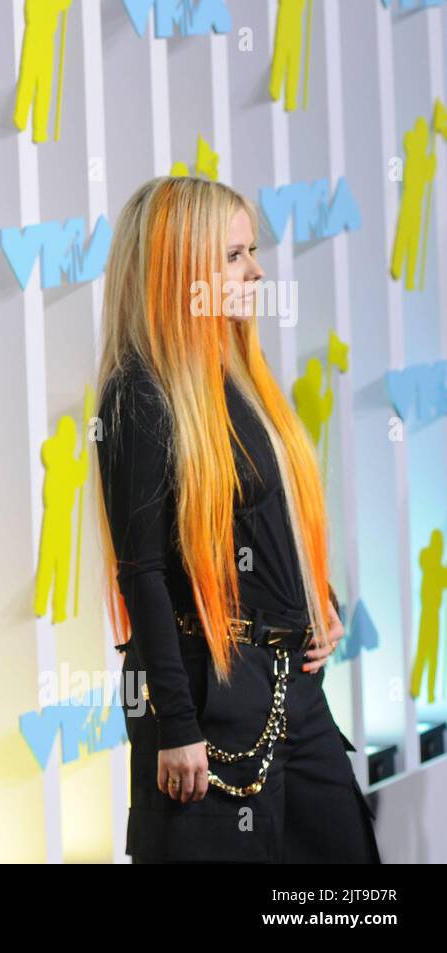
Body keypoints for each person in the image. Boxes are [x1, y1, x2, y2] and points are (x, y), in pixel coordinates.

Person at [93, 175, 380, 863]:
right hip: (209, 692)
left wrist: (319, 600)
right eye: (234, 255)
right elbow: (145, 574)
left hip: (291, 683)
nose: (256, 270)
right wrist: (177, 725)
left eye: (252, 251)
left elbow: (265, 527)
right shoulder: (138, 394)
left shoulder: (237, 375)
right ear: (178, 266)